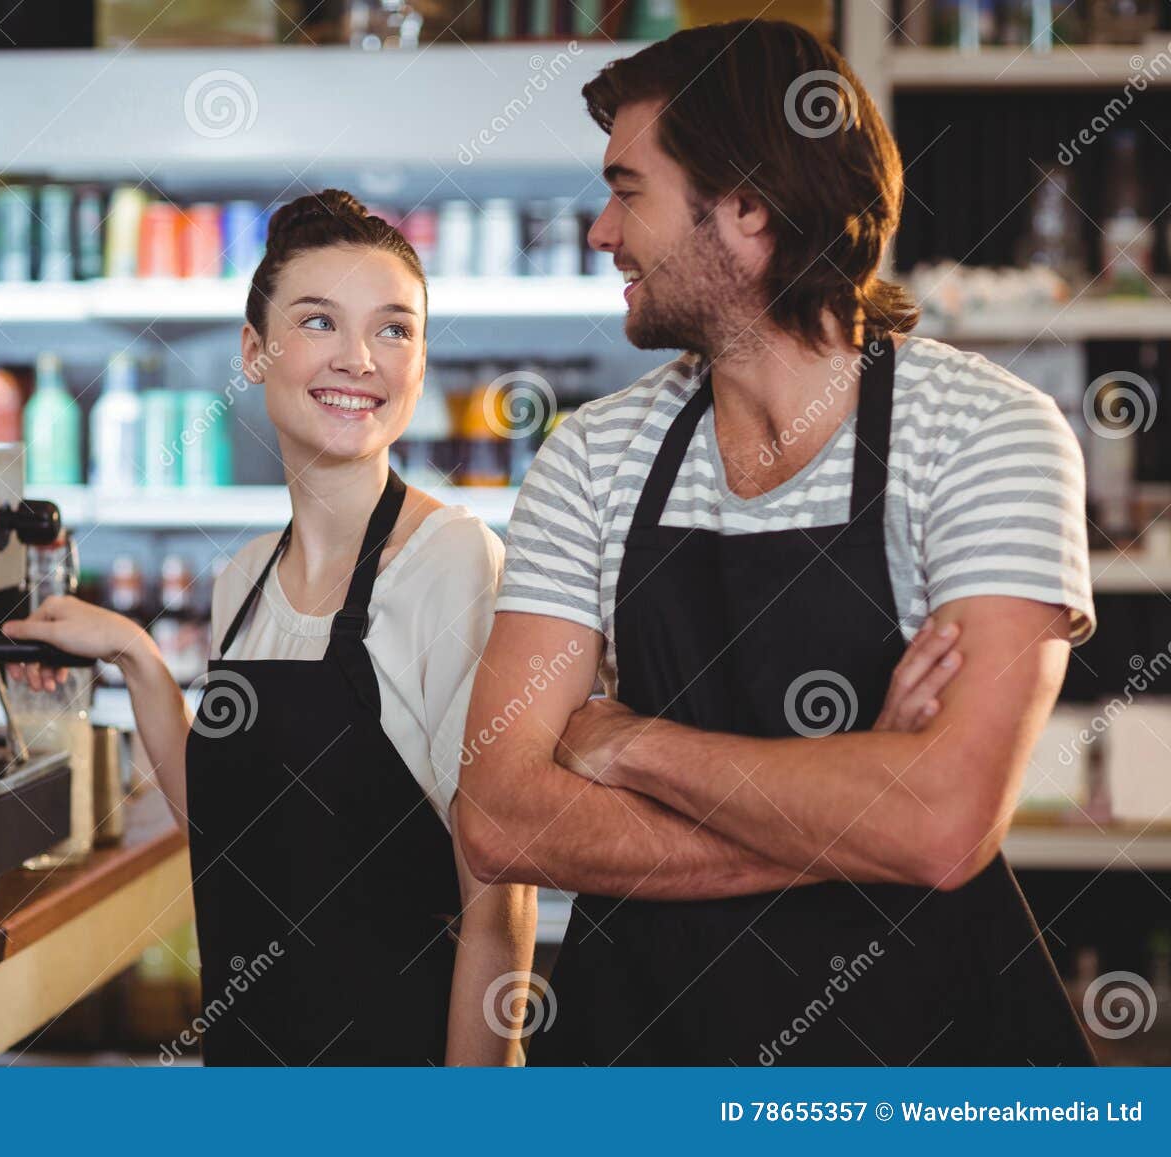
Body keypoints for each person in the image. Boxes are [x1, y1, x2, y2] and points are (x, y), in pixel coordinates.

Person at [455, 21, 1096, 1066]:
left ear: (747, 207)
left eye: (629, 189)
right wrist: (857, 804)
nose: (601, 231)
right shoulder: (593, 457)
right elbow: (497, 817)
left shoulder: (982, 432)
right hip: (643, 1059)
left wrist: (627, 743)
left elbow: (939, 825)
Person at [4, 190, 535, 1066]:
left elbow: (500, 895)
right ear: (256, 351)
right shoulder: (243, 580)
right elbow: (226, 824)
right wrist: (137, 658)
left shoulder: (454, 560)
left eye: (395, 329)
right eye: (319, 321)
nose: (360, 358)